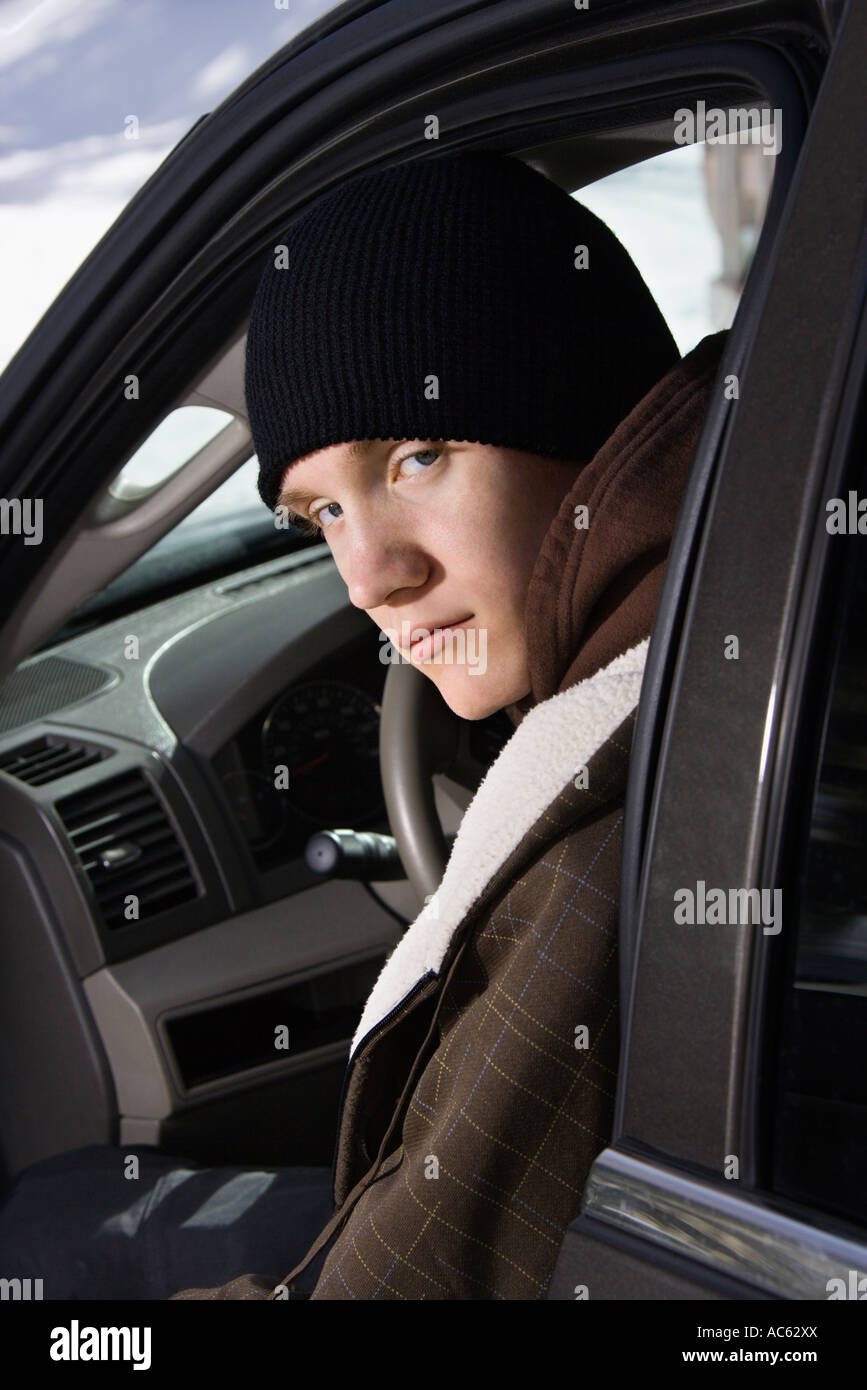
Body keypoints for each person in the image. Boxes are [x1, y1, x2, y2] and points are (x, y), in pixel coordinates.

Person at [0, 150, 727, 1300]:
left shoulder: (608, 832)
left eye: (420, 456)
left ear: (578, 407)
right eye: (322, 512)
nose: (369, 577)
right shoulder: (730, 628)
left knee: (50, 1238)